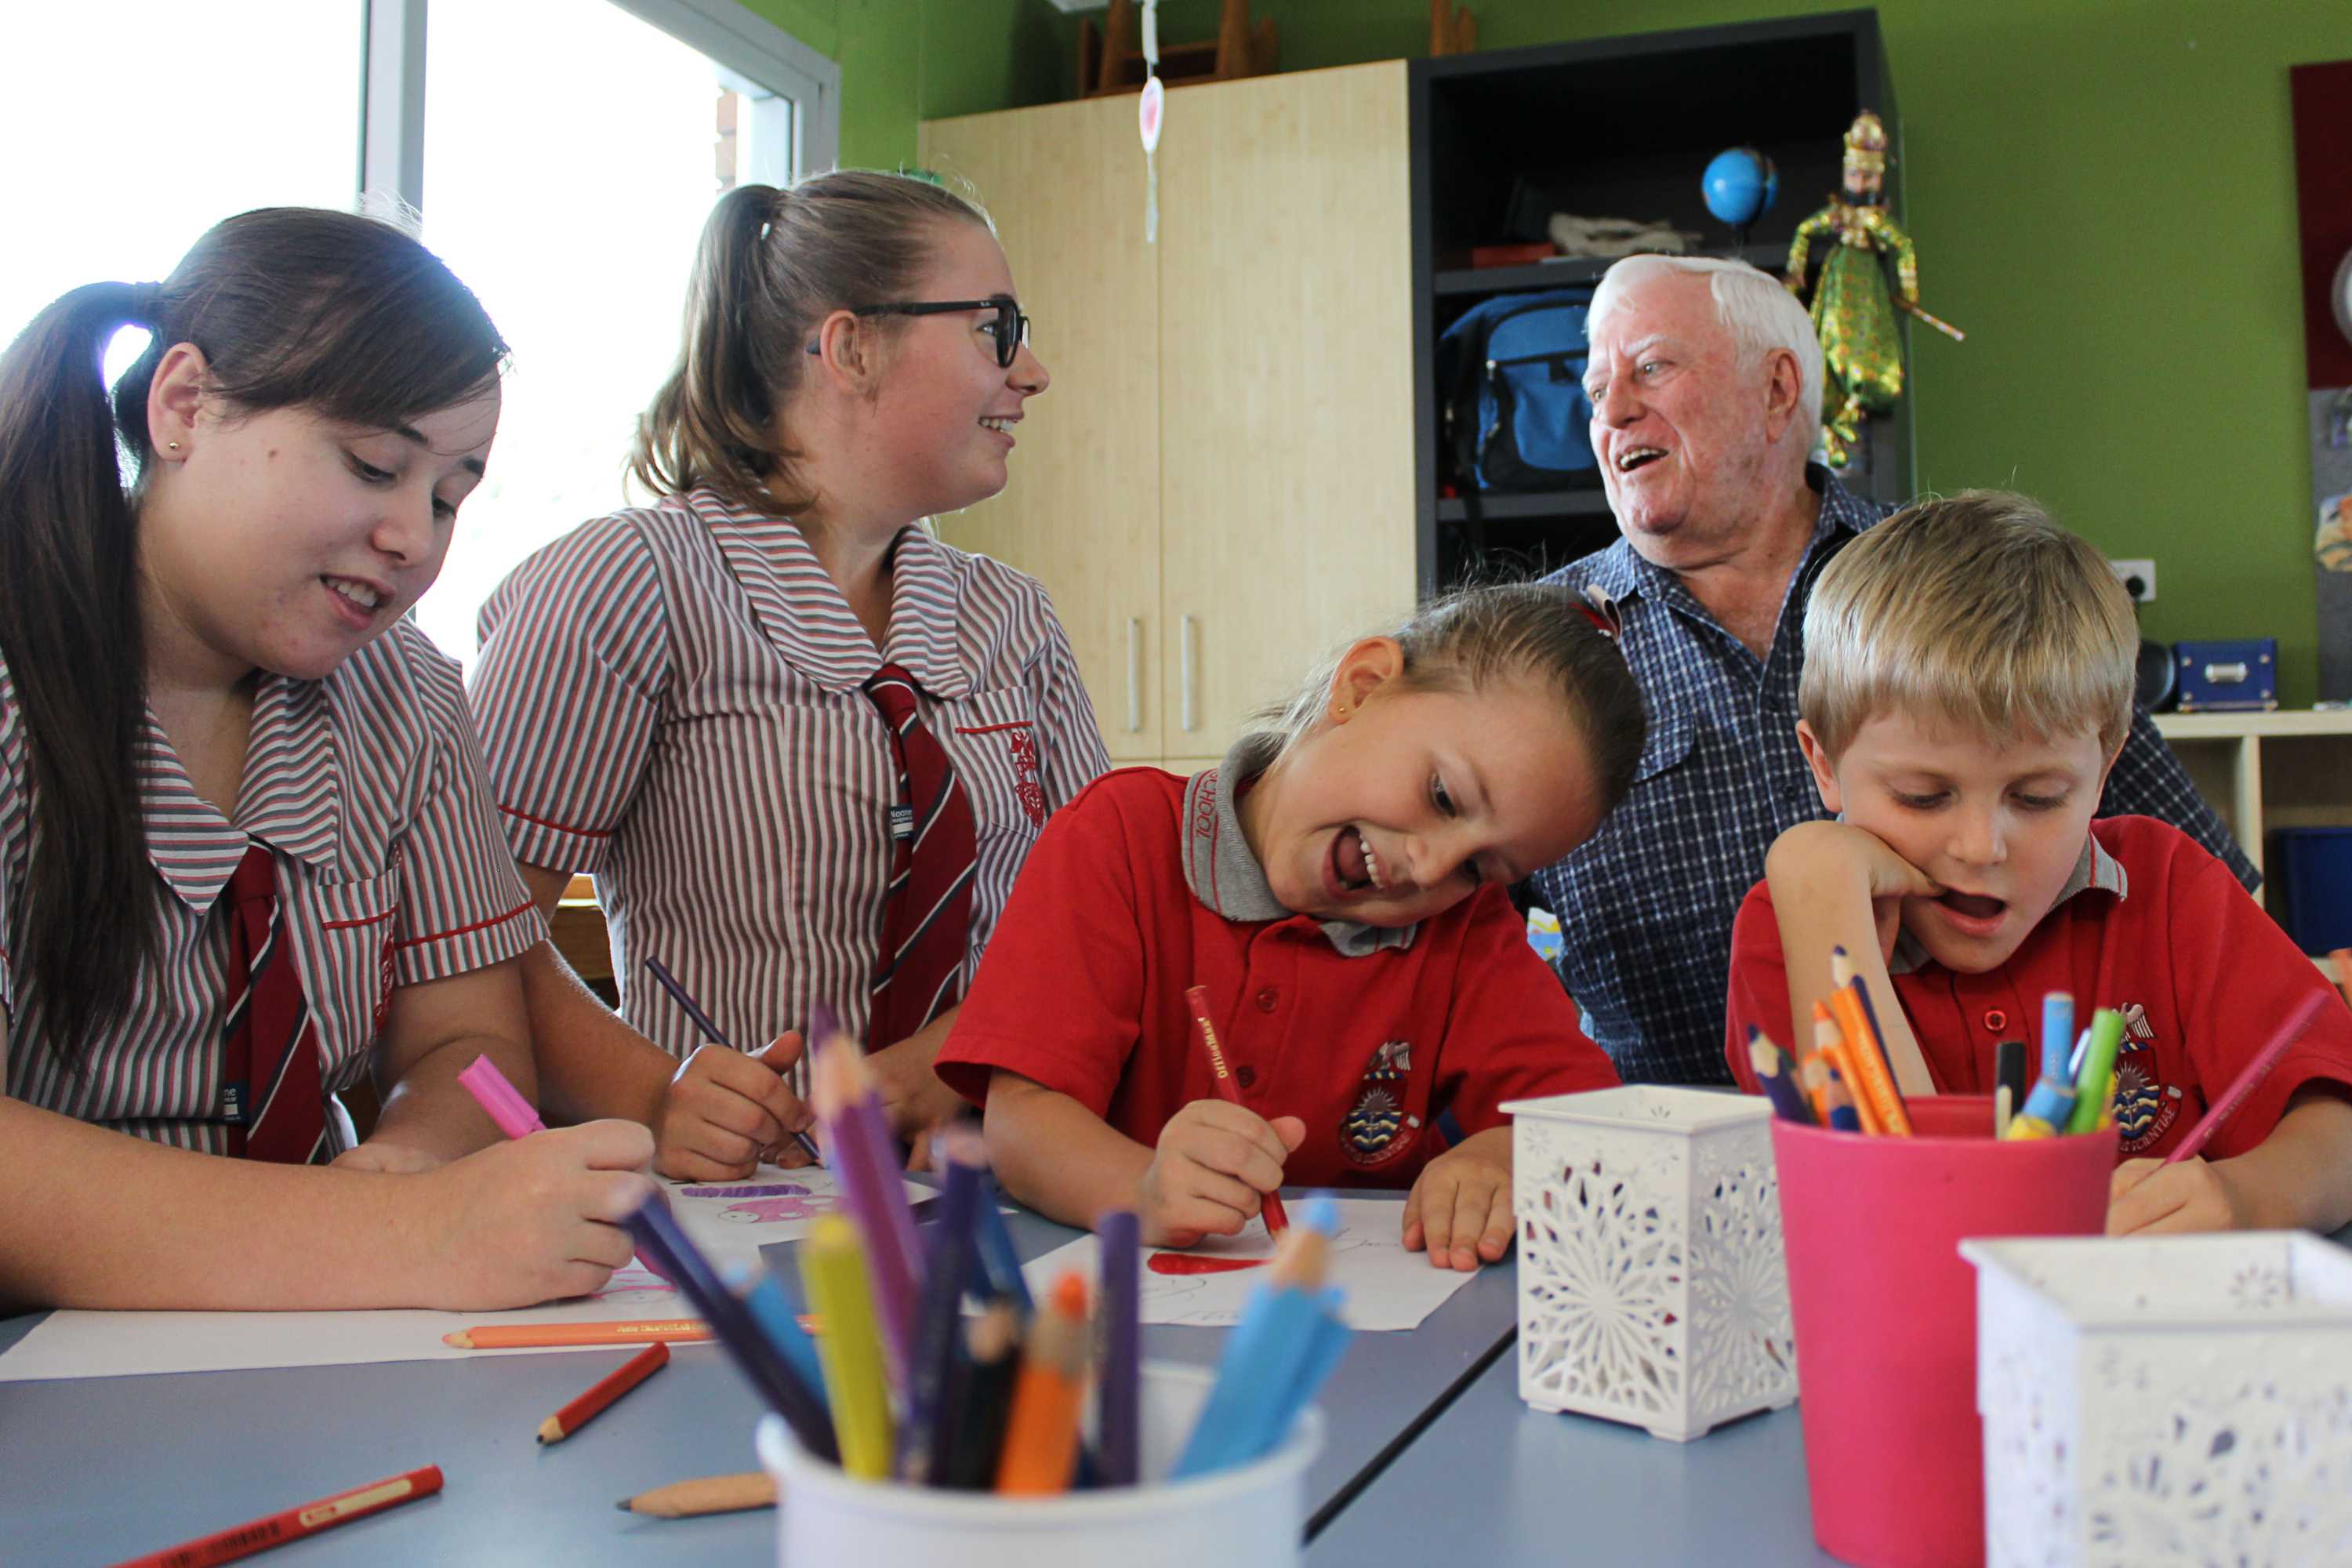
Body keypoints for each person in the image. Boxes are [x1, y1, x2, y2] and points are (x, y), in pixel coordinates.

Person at [0, 209, 656, 1312]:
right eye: (374, 465)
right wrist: (398, 1235)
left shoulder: (407, 696)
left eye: (450, 495)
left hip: (311, 1338)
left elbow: (470, 1044)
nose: (414, 535)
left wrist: (417, 1149)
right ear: (184, 408)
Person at [470, 172, 1109, 1181]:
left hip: (1004, 1185)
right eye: (996, 327)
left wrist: (960, 1053)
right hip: (751, 1201)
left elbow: (1110, 924)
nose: (1032, 369)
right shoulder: (627, 585)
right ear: (852, 347)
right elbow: (461, 946)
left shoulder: (1013, 619)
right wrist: (653, 1089)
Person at [1530, 255, 2254, 1086]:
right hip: (1664, 1173)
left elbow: (2205, 898)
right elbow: (1432, 933)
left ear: (1776, 389)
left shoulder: (1965, 582)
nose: (1613, 410)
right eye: (1595, 390)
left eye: (1651, 368)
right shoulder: (1545, 650)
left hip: (2005, 1153)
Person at [936, 584, 1636, 1270]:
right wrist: (1142, 1191)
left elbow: (1591, 1125)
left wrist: (1505, 1153)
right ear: (1361, 687)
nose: (1430, 867)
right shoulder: (1119, 838)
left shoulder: (1464, 929)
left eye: (1479, 867)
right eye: (1444, 797)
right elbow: (1022, 1124)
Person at [1723, 492, 2352, 1236]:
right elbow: (1889, 1204)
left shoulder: (2168, 883)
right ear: (1823, 766)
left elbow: (2334, 1130)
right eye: (1923, 797)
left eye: (2039, 796)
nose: (1981, 845)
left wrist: (2248, 1197)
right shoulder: (1793, 922)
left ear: (2105, 766)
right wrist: (1818, 888)